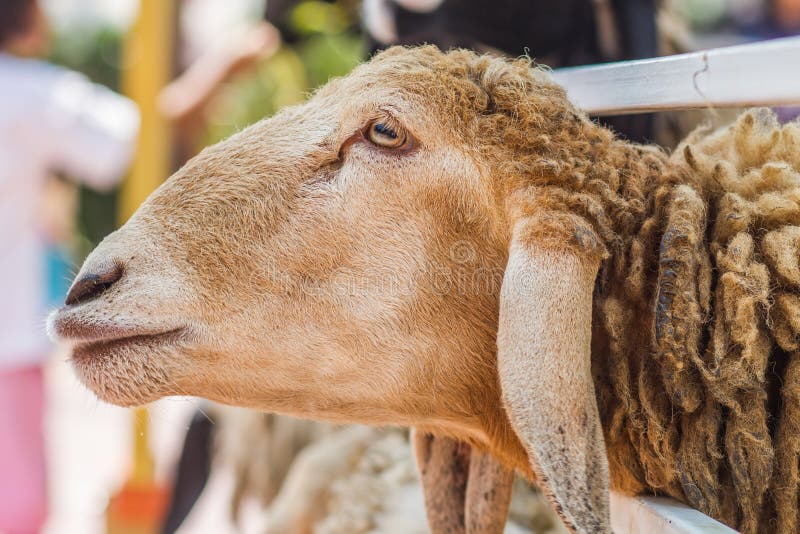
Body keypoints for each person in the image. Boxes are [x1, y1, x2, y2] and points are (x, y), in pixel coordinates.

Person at [0, 1, 139, 532]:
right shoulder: (33, 94)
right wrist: (219, 69)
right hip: (6, 342)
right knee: (18, 506)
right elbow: (128, 138)